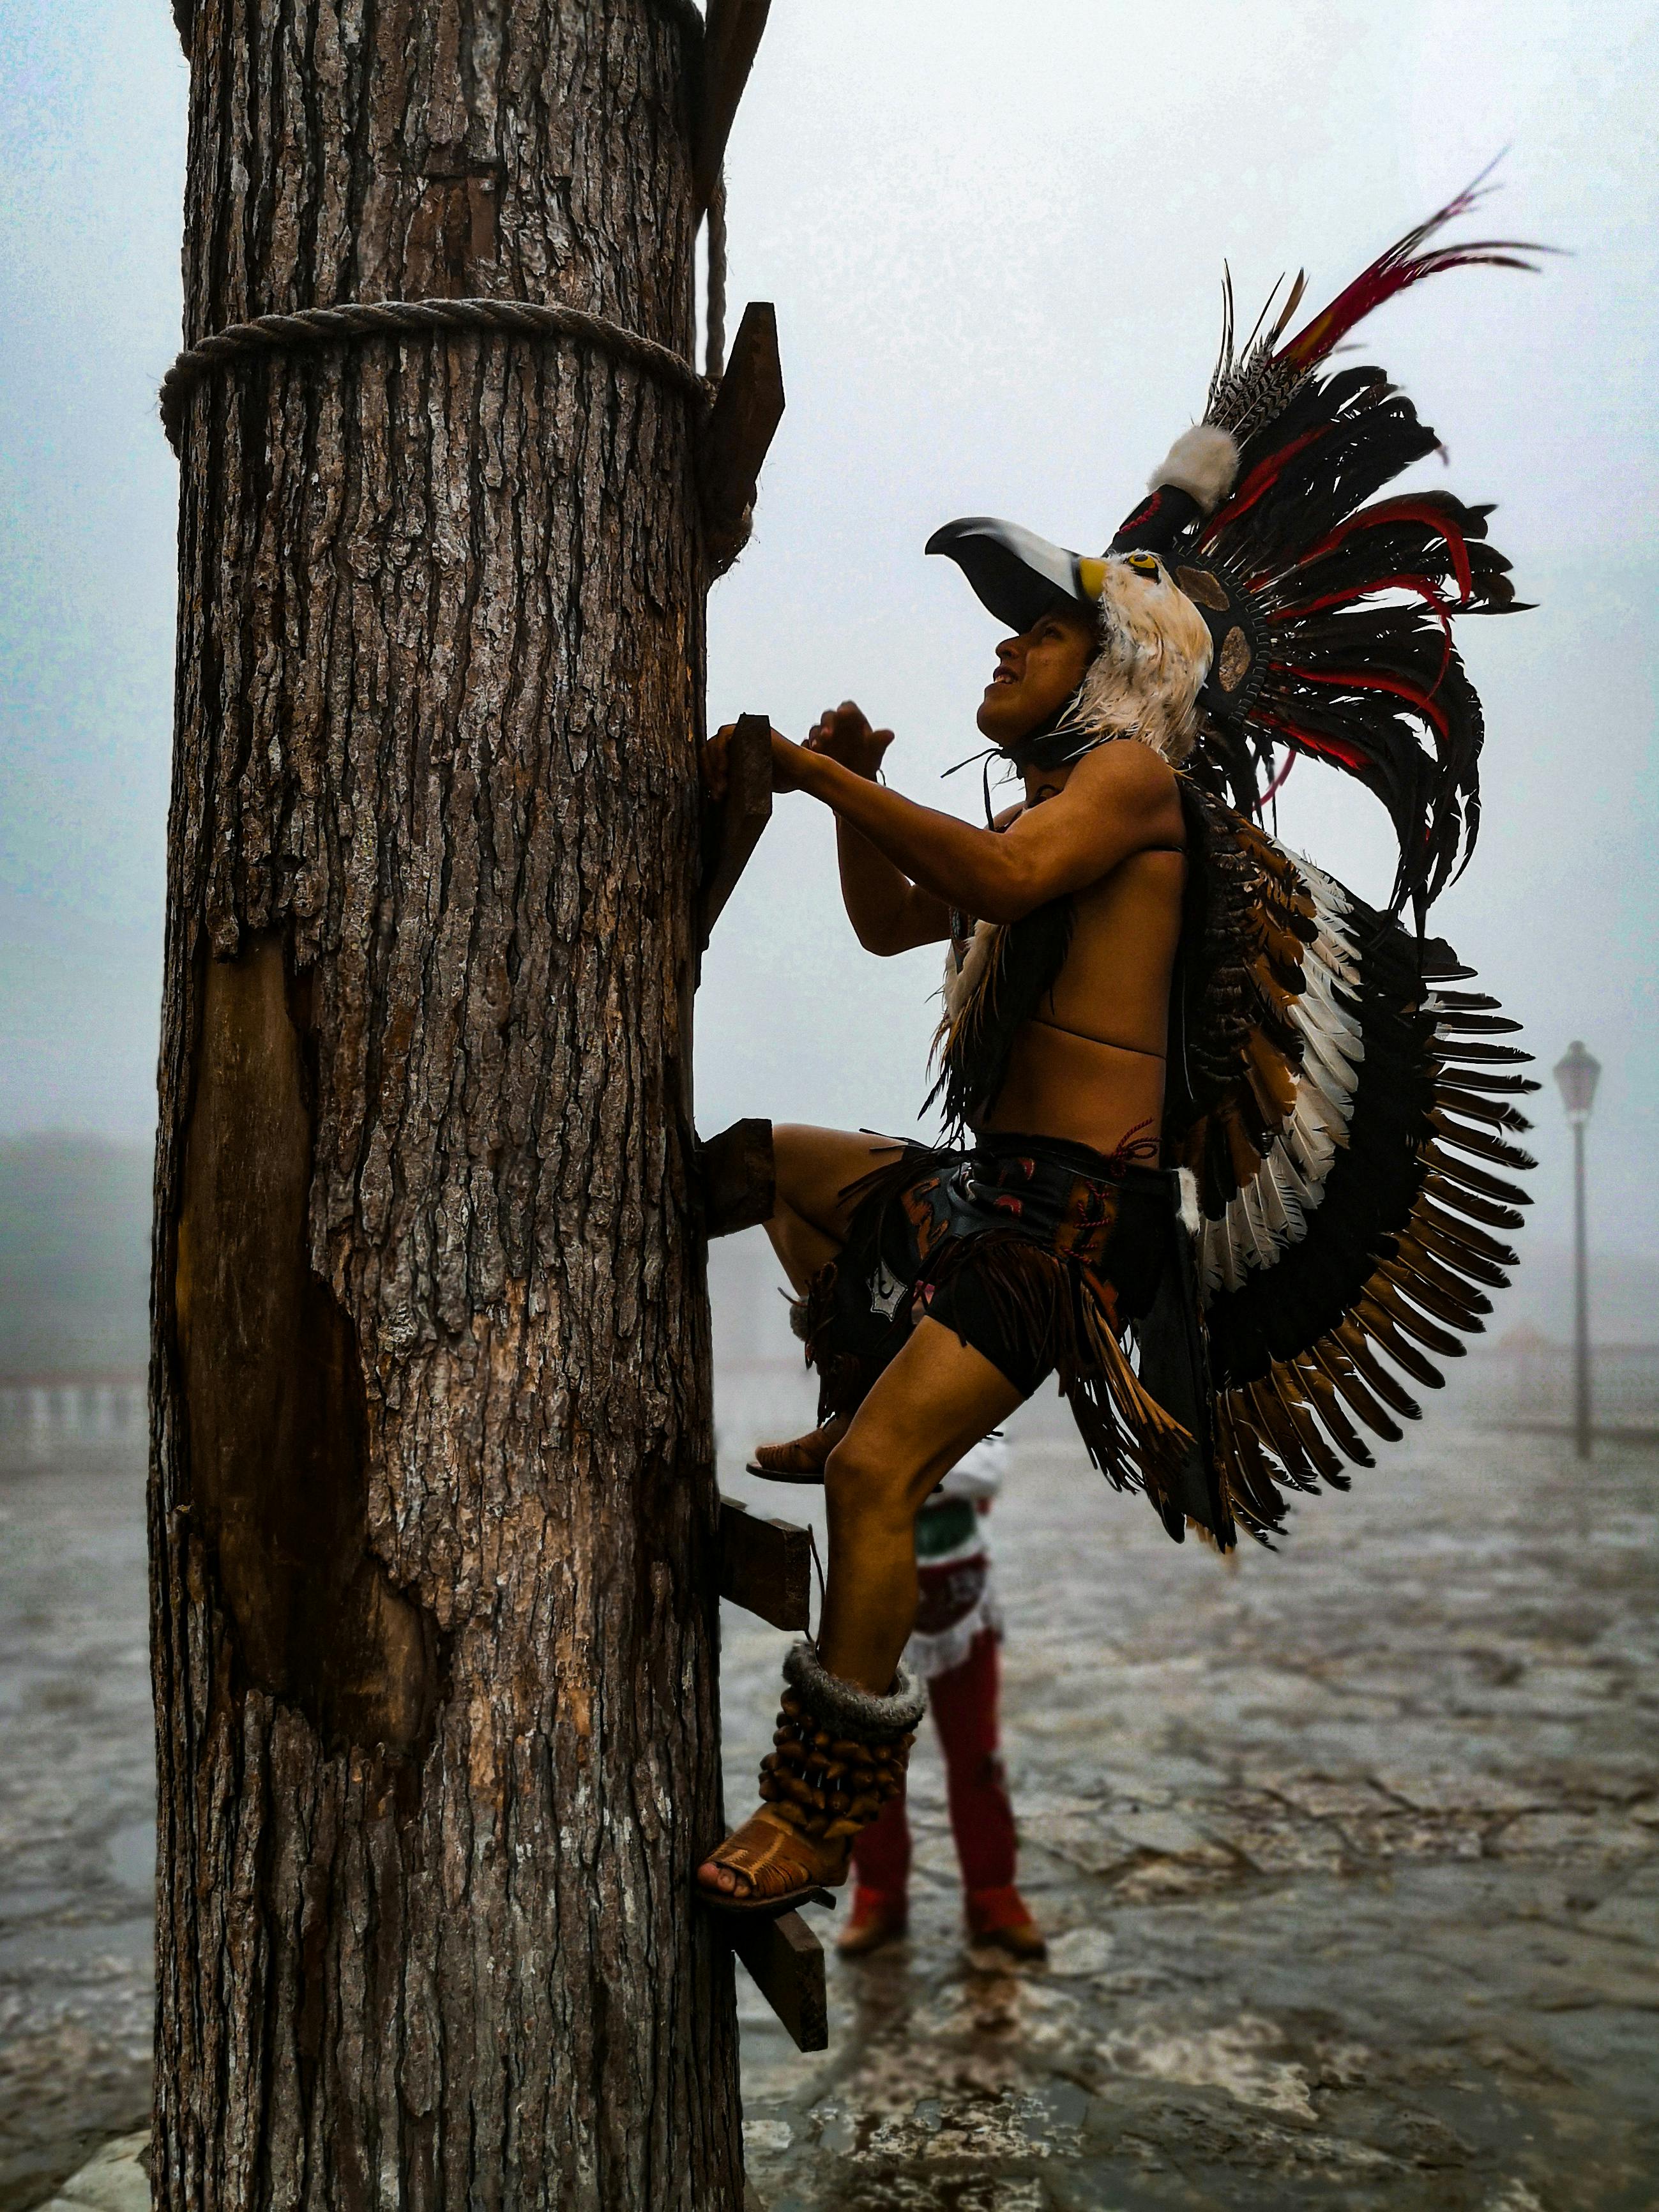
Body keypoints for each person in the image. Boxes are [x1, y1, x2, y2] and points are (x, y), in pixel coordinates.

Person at [698, 181, 1540, 1914]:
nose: (1000, 644)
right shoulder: (1053, 817)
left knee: (877, 1480)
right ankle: (862, 1377)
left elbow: (997, 879)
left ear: (1114, 673)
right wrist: (856, 802)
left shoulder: (1131, 788)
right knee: (764, 1170)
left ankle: (813, 1814)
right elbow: (901, 921)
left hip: (1068, 1226)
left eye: (1035, 628)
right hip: (987, 1190)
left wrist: (820, 774)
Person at [833, 1433, 1045, 1962]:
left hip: (963, 1602)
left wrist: (902, 1467)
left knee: (978, 1754)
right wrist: (935, 1463)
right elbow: (847, 1468)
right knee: (874, 1752)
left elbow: (989, 1467)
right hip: (875, 1590)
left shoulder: (970, 1382)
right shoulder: (850, 1388)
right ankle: (878, 1896)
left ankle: (993, 1896)